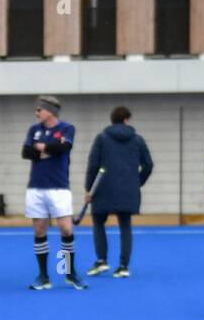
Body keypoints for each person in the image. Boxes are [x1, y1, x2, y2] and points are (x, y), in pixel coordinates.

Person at [84, 105, 153, 278]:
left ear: (112, 120)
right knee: (125, 226)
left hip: (102, 189)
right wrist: (138, 182)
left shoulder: (101, 138)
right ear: (127, 119)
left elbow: (93, 165)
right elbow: (148, 165)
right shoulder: (138, 140)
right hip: (128, 189)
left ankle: (101, 261)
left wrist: (89, 188)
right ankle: (123, 266)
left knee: (99, 223)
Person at [22, 96, 83, 290]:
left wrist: (43, 148)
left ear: (50, 111)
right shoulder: (34, 129)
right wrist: (46, 152)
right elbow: (26, 152)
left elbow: (64, 148)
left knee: (66, 228)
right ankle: (43, 275)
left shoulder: (66, 128)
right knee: (39, 230)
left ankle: (69, 272)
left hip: (59, 187)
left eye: (39, 109)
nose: (36, 113)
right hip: (36, 187)